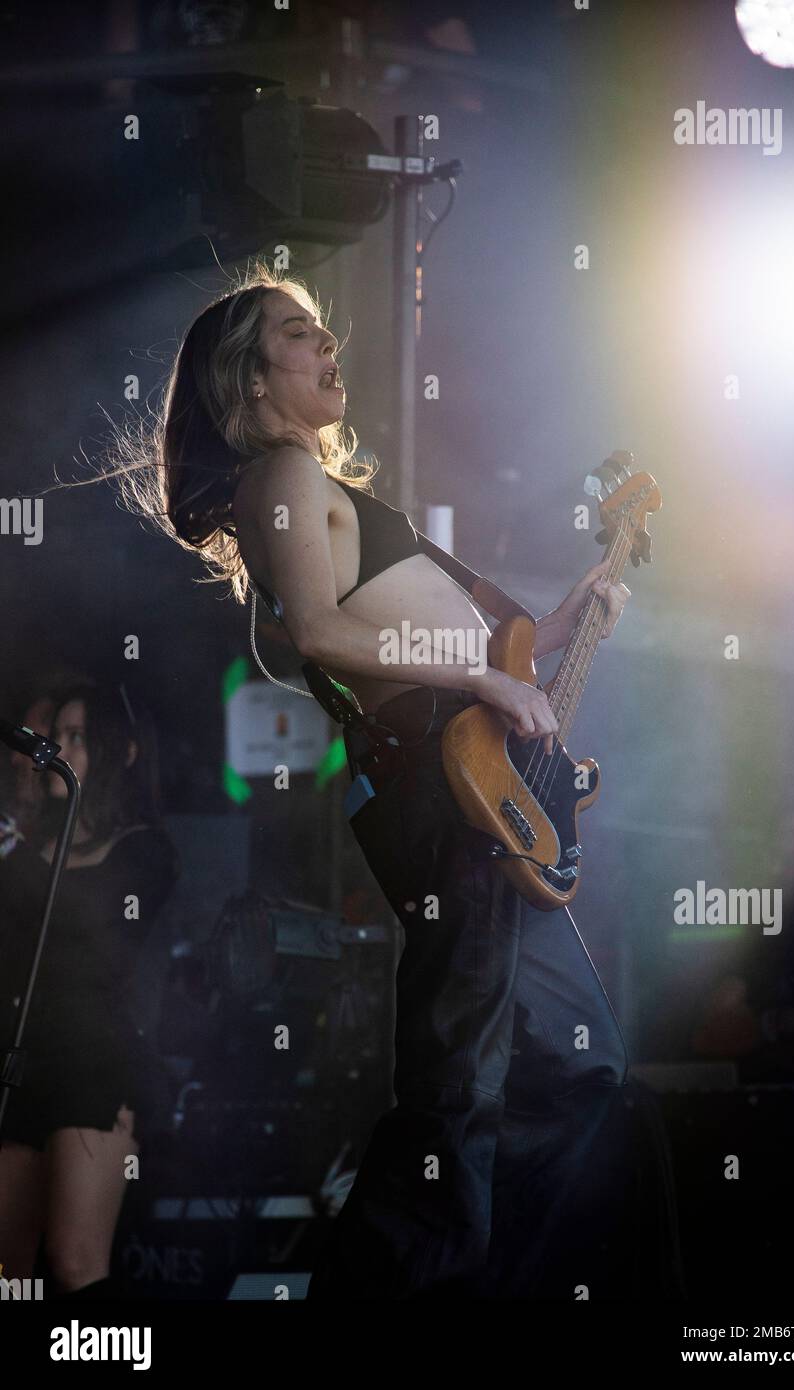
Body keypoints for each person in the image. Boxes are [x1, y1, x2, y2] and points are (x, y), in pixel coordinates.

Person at [97, 263, 643, 1299]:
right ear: (248, 381)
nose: (326, 341)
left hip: (473, 778)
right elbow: (320, 630)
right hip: (438, 793)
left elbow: (448, 637)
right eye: (298, 334)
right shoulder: (280, 478)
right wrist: (481, 670)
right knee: (457, 1093)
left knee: (581, 1071)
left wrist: (559, 623)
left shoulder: (319, 484)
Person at [0, 681, 179, 1298]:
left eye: (78, 737)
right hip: (21, 1064)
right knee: (6, 1269)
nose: (59, 747)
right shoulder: (24, 850)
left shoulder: (141, 852)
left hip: (94, 1067)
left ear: (120, 752)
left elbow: (97, 929)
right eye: (58, 734)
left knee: (75, 1261)